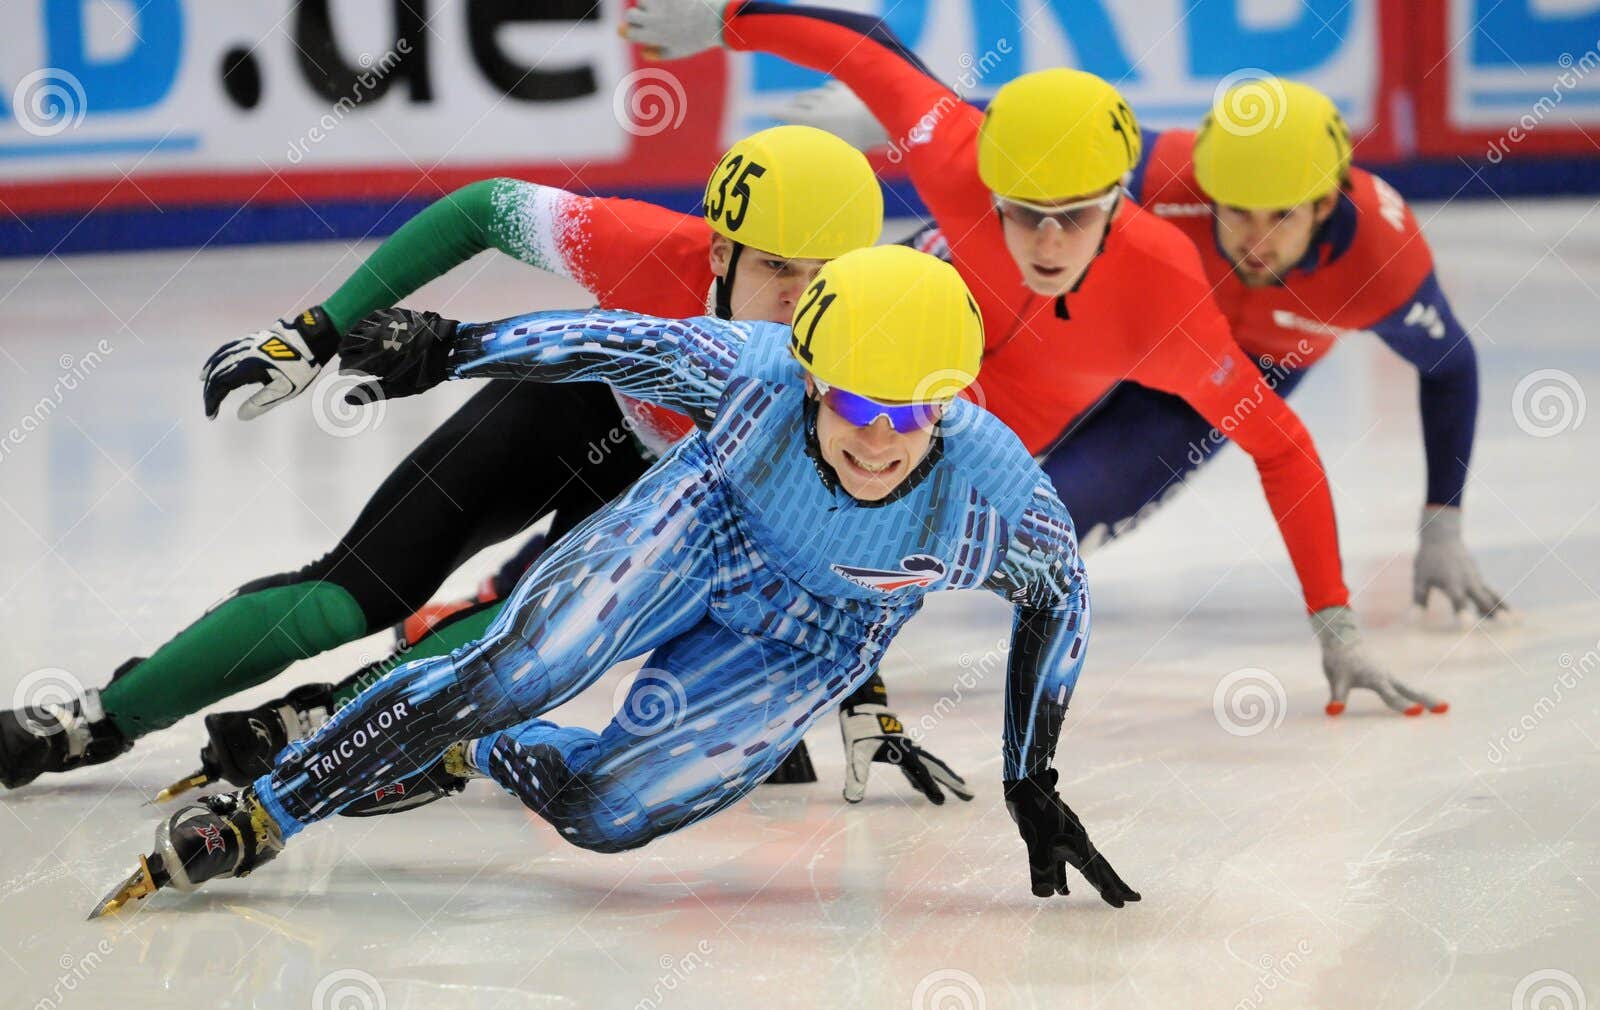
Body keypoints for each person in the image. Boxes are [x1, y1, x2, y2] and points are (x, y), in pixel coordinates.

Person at [87, 245, 1140, 917]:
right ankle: (270, 810)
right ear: (809, 376)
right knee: (521, 662)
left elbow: (1060, 600)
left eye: (912, 414)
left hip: (816, 634)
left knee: (605, 811)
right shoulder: (752, 371)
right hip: (708, 522)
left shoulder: (995, 494)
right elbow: (611, 342)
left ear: (950, 407)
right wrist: (451, 347)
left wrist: (1028, 774)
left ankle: (477, 749)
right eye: (856, 406)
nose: (880, 439)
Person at [1, 127, 969, 808]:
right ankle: (99, 716)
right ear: (716, 250)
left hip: (680, 490)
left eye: (824, 279)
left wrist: (859, 689)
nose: (798, 304)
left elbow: (869, 532)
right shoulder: (642, 248)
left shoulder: (866, 352)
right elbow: (479, 209)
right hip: (576, 404)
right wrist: (318, 329)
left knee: (519, 637)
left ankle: (330, 720)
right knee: (348, 595)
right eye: (776, 271)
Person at [620, 1, 1446, 717]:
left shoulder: (1165, 294)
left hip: (986, 427)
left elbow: (1282, 445)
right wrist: (725, 21)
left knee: (984, 524)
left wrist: (1334, 621)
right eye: (1021, 213)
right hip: (904, 344)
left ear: (1121, 199)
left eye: (1077, 217)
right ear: (991, 187)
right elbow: (863, 47)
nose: (1047, 243)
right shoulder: (955, 158)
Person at [887, 79, 1503, 619]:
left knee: (1048, 526)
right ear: (1207, 188)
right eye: (1236, 212)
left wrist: (1441, 521)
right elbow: (1035, 138)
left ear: (1324, 204)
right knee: (918, 445)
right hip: (1126, 323)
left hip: (1227, 374)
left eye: (1281, 216)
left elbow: (1450, 368)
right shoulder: (1164, 171)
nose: (1255, 241)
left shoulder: (1382, 262)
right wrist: (916, 117)